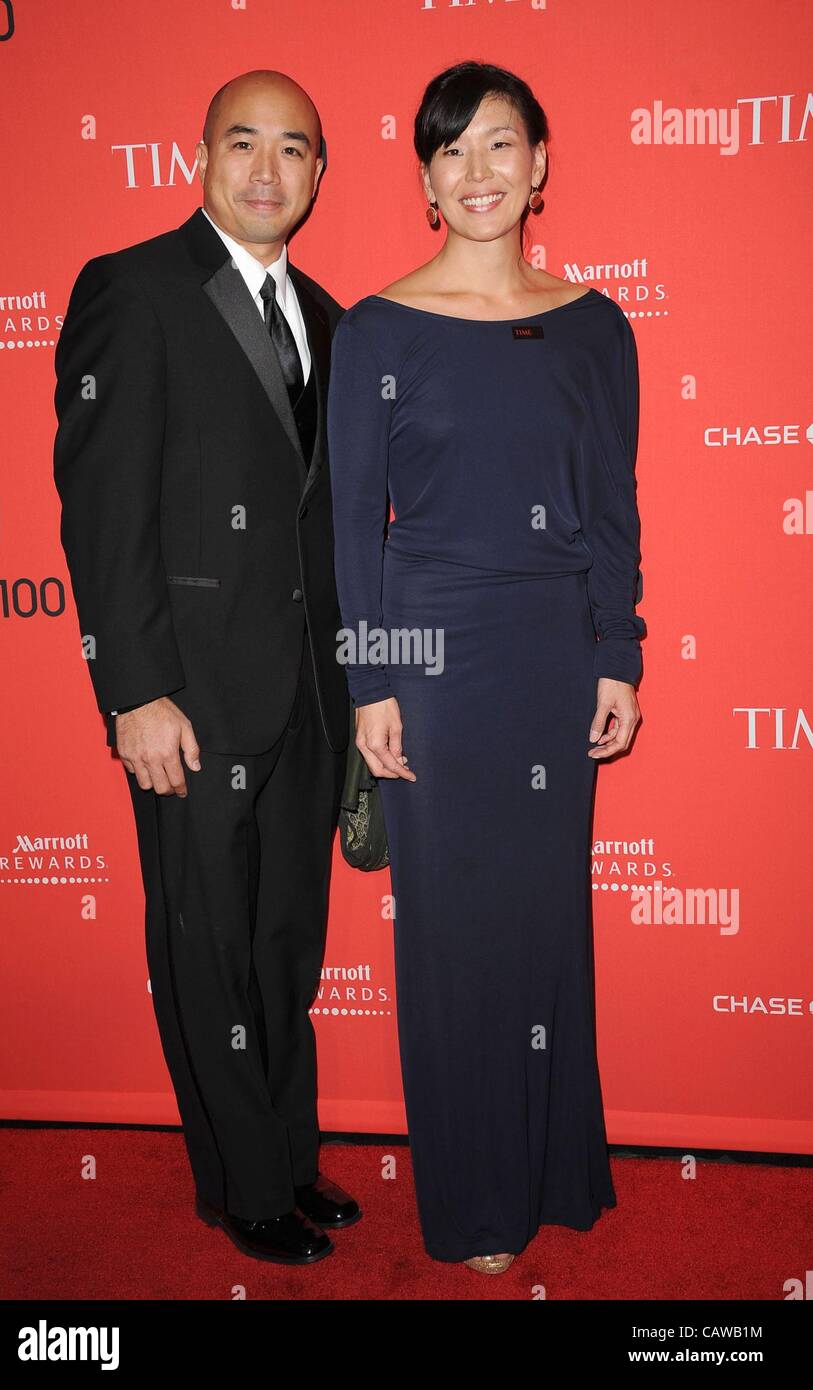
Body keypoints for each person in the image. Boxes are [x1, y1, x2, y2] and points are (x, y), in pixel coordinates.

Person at [327, 61, 647, 1274]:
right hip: (434, 657)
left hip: (553, 653)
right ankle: (473, 1204)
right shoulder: (376, 330)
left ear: (540, 165)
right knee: (453, 939)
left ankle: (557, 1169)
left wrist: (614, 651)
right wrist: (372, 680)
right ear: (423, 179)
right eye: (451, 152)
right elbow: (355, 523)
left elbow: (609, 505)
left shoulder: (593, 324)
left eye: (499, 146)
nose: (477, 174)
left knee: (545, 920)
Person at [53, 69, 360, 1266]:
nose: (267, 169)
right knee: (206, 945)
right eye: (244, 142)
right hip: (184, 699)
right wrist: (132, 689)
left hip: (303, 700)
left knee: (284, 939)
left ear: (320, 174)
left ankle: (287, 1154)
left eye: (294, 149)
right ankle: (236, 1185)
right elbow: (101, 503)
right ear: (200, 156)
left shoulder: (328, 318)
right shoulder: (133, 290)